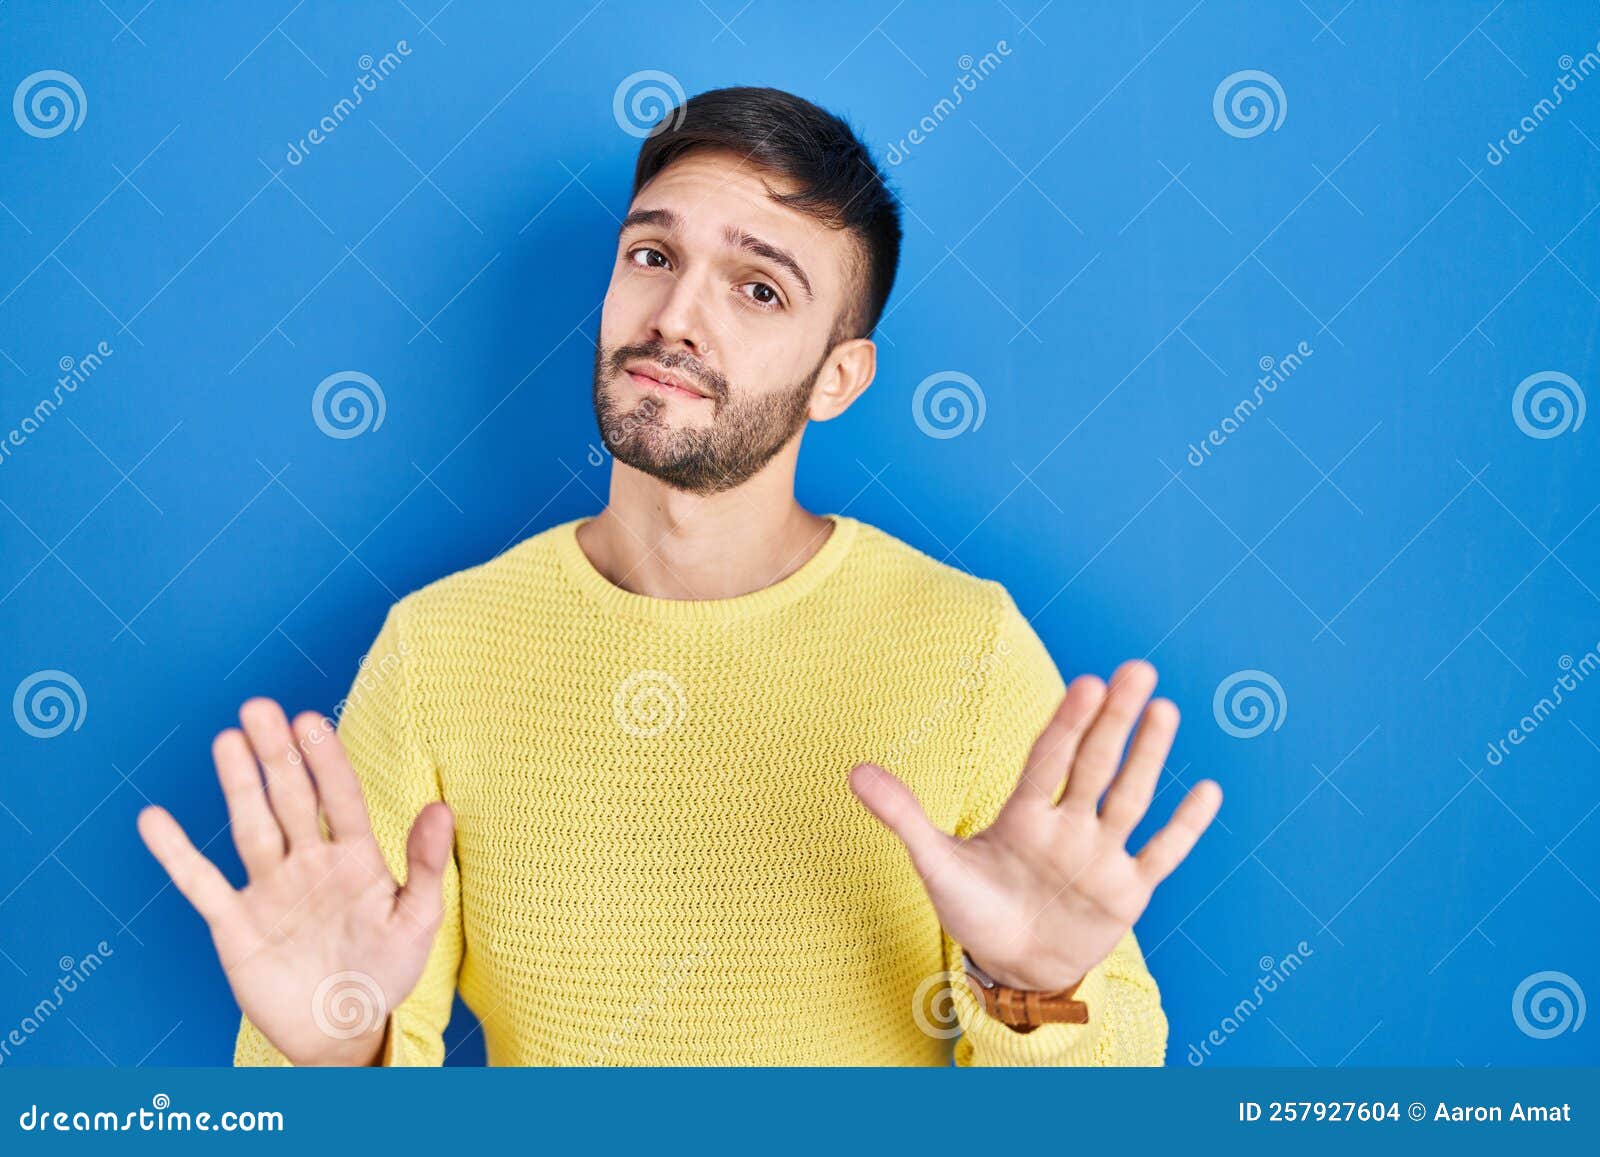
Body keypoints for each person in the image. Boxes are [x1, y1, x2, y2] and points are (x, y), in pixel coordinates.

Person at [136, 85, 1222, 1066]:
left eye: (757, 289)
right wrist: (339, 1053)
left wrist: (1033, 987)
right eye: (653, 256)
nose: (674, 317)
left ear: (837, 377)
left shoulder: (967, 647)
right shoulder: (438, 649)